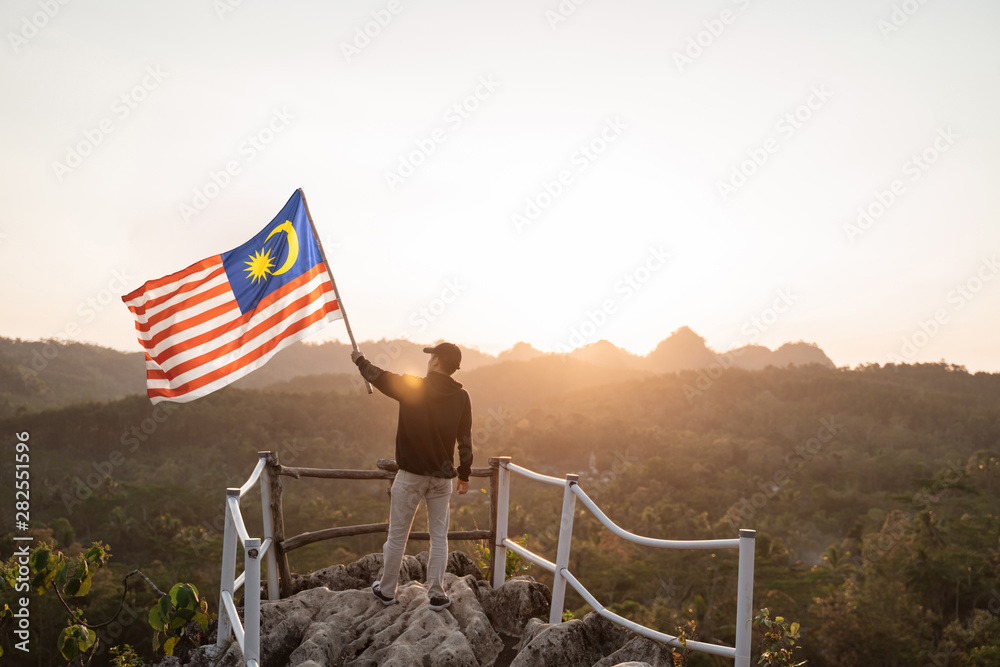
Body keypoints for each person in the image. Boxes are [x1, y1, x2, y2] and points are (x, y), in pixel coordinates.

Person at [351, 342, 473, 611]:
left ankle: (387, 590)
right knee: (439, 536)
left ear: (437, 361)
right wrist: (464, 474)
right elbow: (465, 440)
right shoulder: (462, 397)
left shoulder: (413, 387)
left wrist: (359, 360)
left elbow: (379, 377)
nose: (429, 360)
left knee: (397, 536)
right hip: (443, 479)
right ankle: (437, 595)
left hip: (410, 476)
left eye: (432, 357)